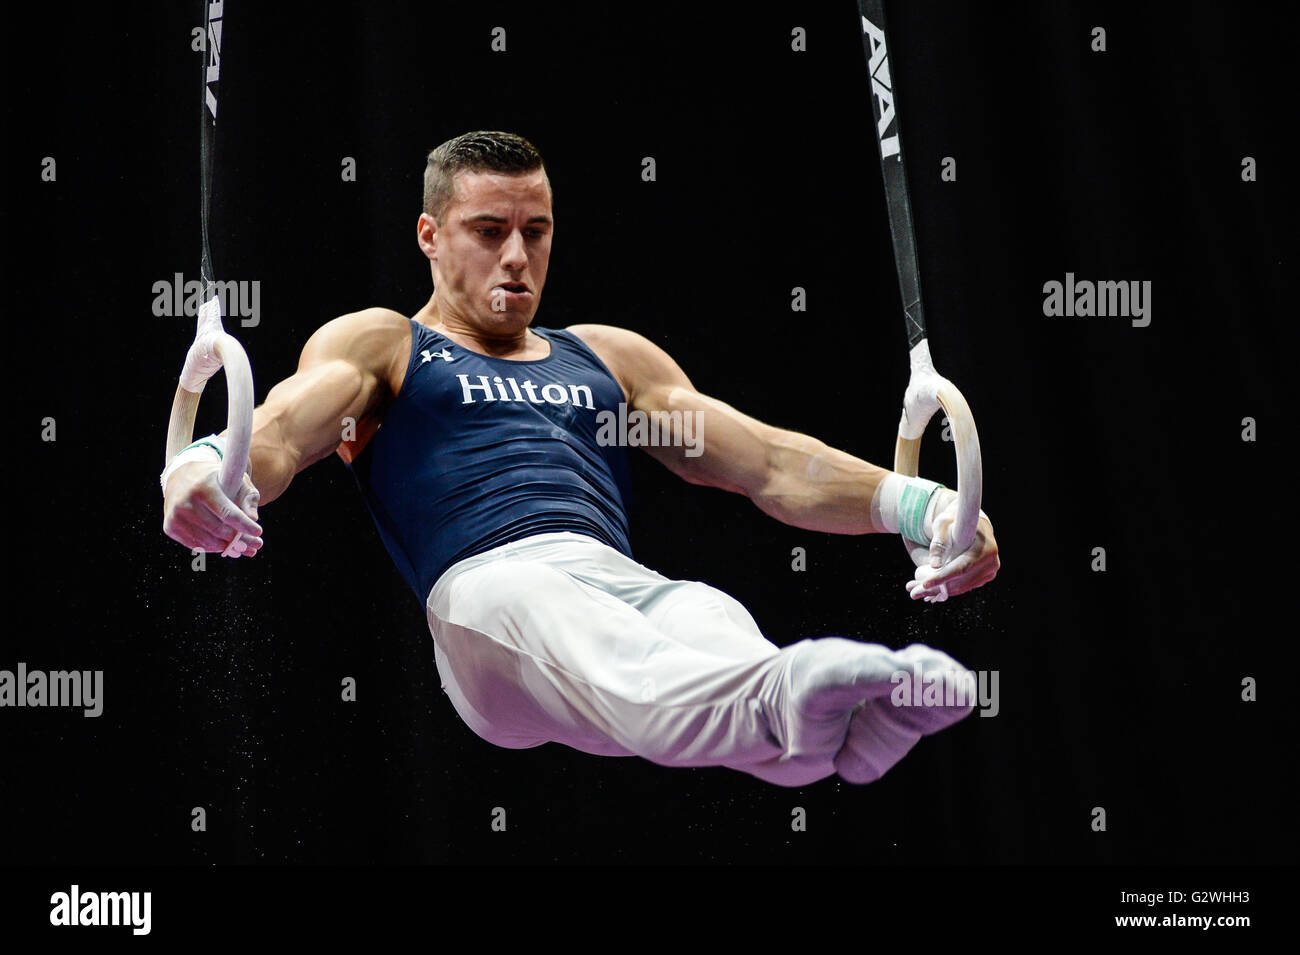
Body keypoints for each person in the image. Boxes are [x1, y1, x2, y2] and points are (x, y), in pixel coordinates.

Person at [161, 130, 1000, 787]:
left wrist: (924, 506)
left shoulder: (605, 359)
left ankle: (836, 737)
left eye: (536, 230)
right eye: (488, 232)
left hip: (610, 582)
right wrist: (204, 466)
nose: (517, 258)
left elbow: (771, 462)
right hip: (485, 604)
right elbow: (276, 428)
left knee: (700, 614)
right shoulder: (387, 345)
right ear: (429, 233)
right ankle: (797, 701)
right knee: (560, 612)